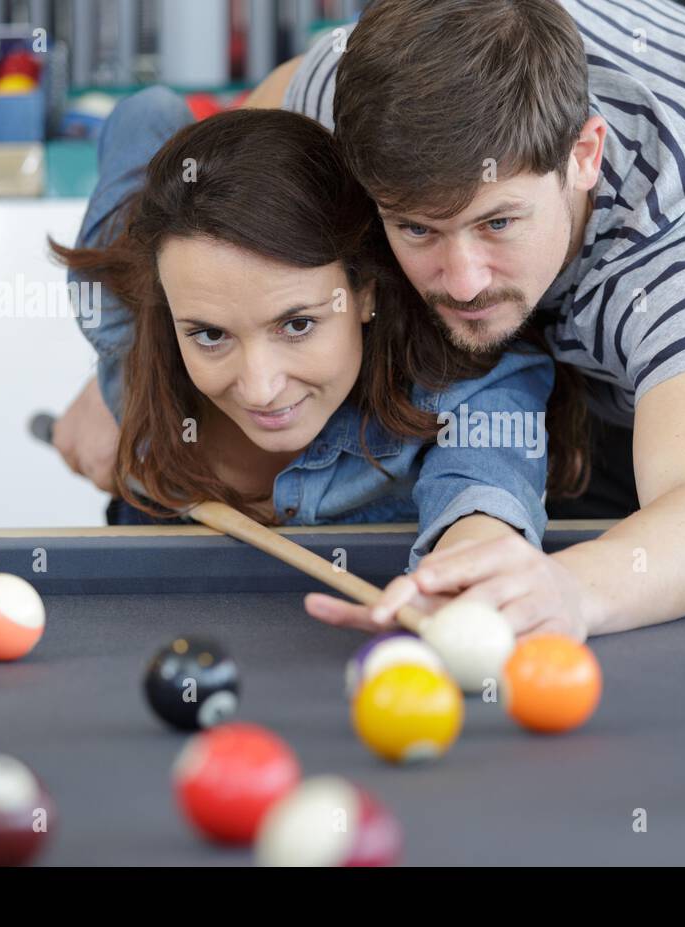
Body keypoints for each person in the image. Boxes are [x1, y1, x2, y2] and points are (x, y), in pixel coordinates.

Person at [58, 0, 685, 640]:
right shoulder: (354, 93)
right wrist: (141, 358)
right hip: (575, 360)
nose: (462, 280)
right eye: (416, 229)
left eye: (497, 223)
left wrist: (573, 593)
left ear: (583, 155)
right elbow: (230, 193)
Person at [54, 89, 588, 578]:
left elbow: (483, 495)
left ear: (363, 292)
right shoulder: (115, 308)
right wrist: (121, 396)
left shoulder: (461, 387)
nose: (261, 388)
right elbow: (147, 109)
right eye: (210, 335)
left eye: (297, 324)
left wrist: (470, 565)